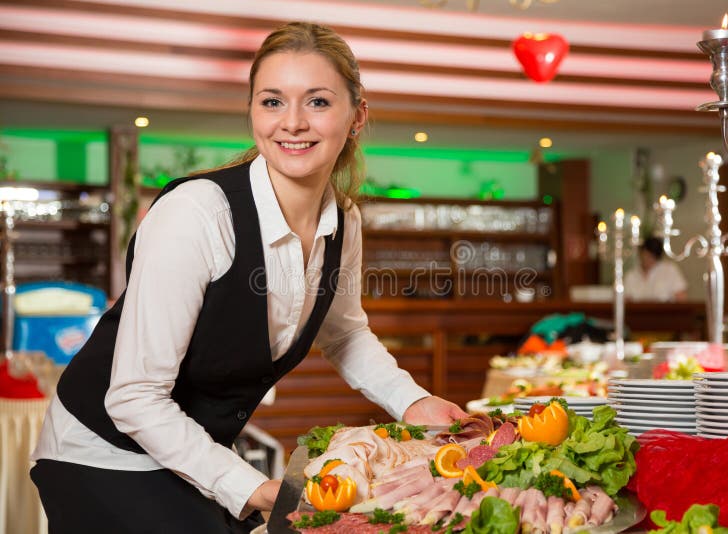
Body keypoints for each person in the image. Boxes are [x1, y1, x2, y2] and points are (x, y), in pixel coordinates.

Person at [30, 22, 468, 533]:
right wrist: (257, 488)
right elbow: (133, 397)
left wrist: (413, 401)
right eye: (273, 102)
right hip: (102, 451)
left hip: (190, 448)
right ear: (252, 111)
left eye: (319, 102)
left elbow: (344, 333)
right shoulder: (196, 214)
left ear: (357, 117)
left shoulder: (343, 220)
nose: (294, 123)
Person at [624, 236, 688, 302]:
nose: (647, 259)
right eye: (645, 255)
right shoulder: (632, 274)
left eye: (651, 257)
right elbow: (626, 300)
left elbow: (681, 298)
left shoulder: (669, 270)